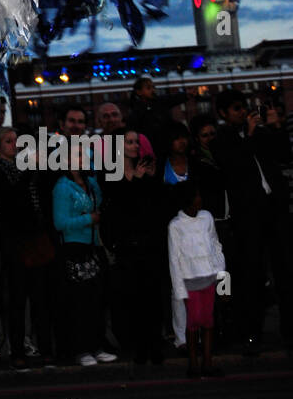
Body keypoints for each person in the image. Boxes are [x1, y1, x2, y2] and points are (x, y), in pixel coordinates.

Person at [214, 90, 292, 353]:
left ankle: (289, 330)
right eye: (236, 108)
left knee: (285, 271)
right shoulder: (222, 138)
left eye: (244, 107)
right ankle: (253, 332)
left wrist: (274, 125)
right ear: (223, 113)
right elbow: (235, 167)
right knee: (253, 275)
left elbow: (284, 153)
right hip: (249, 215)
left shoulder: (259, 132)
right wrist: (248, 134)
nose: (242, 112)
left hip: (275, 209)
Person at [0, 126, 54, 369]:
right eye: (8, 141)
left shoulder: (26, 167)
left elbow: (40, 195)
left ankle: (45, 349)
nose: (14, 145)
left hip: (35, 237)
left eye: (16, 140)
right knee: (17, 298)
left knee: (39, 297)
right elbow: (8, 201)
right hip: (15, 240)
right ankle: (17, 350)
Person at [103, 132, 165, 365]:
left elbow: (154, 208)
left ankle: (155, 345)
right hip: (126, 248)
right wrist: (137, 180)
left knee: (152, 298)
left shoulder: (146, 172)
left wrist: (149, 178)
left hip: (149, 245)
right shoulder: (111, 173)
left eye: (136, 142)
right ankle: (139, 348)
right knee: (133, 300)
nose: (134, 145)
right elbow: (121, 209)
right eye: (129, 142)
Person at [52, 158, 116, 367]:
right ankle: (80, 349)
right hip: (73, 248)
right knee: (78, 301)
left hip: (93, 245)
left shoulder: (91, 182)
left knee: (96, 298)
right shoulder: (62, 187)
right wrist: (88, 219)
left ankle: (96, 346)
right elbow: (60, 223)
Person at [168, 183, 226, 378]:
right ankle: (193, 364)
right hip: (190, 280)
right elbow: (174, 260)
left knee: (208, 321)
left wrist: (220, 272)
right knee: (193, 323)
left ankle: (207, 362)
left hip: (209, 277)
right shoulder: (176, 226)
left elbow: (216, 244)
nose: (200, 198)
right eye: (197, 195)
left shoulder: (207, 218)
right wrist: (179, 290)